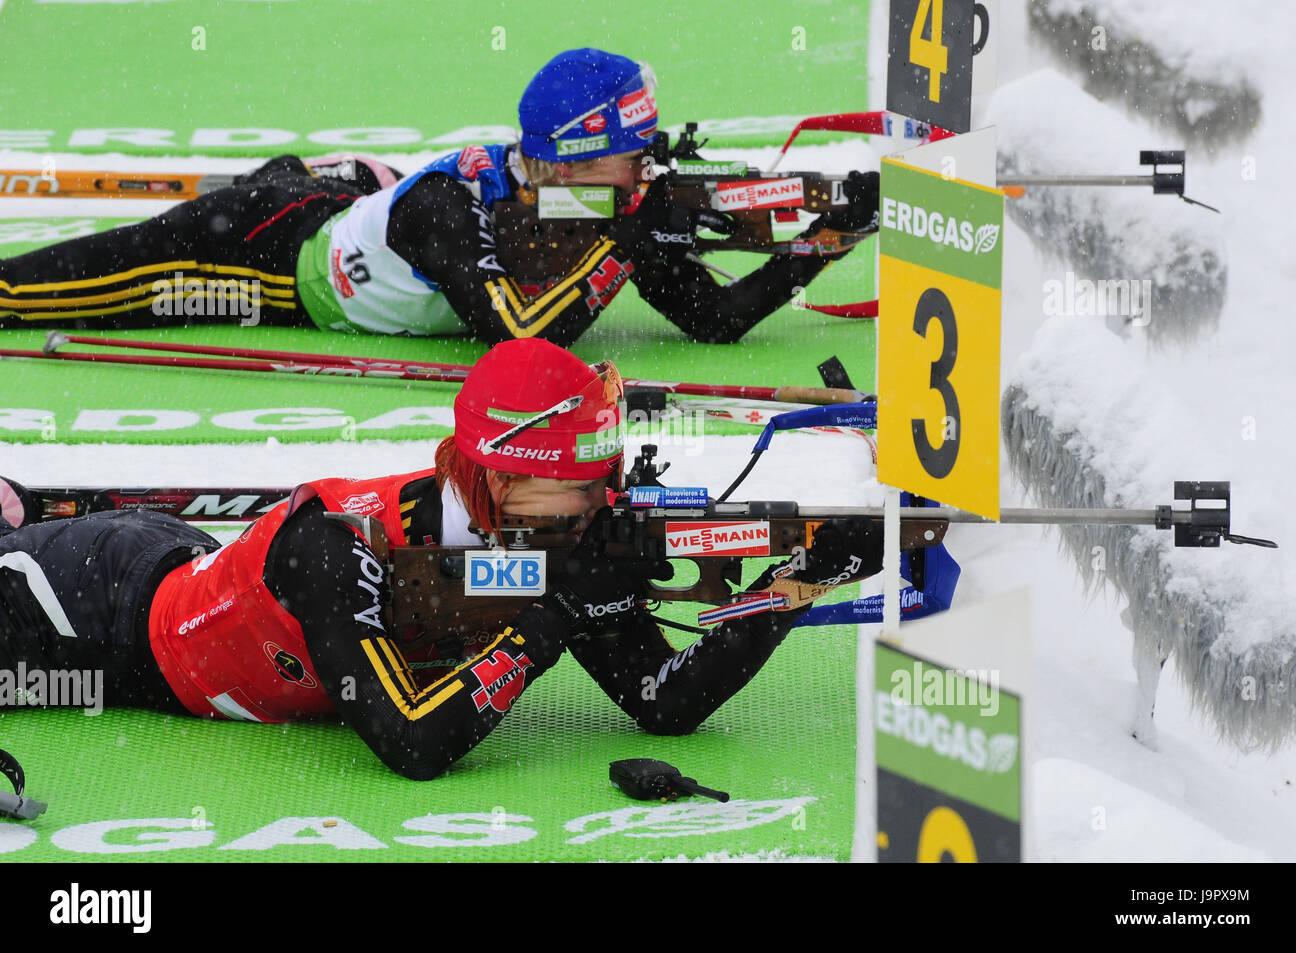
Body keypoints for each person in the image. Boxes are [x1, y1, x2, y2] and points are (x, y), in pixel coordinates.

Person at [0, 338, 883, 779]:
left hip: (183, 564)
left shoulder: (546, 542)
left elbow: (664, 700)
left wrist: (808, 576)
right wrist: (554, 618)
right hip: (89, 613)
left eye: (606, 478)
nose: (602, 503)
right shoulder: (337, 548)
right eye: (582, 485)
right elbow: (413, 741)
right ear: (499, 480)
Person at [0, 48, 880, 347]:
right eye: (631, 156)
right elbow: (517, 335)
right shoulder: (449, 212)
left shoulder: (593, 201)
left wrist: (825, 241)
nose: (647, 172)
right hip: (260, 258)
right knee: (34, 289)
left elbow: (712, 319)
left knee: (303, 179)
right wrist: (627, 240)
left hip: (343, 208)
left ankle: (309, 174)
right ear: (571, 162)